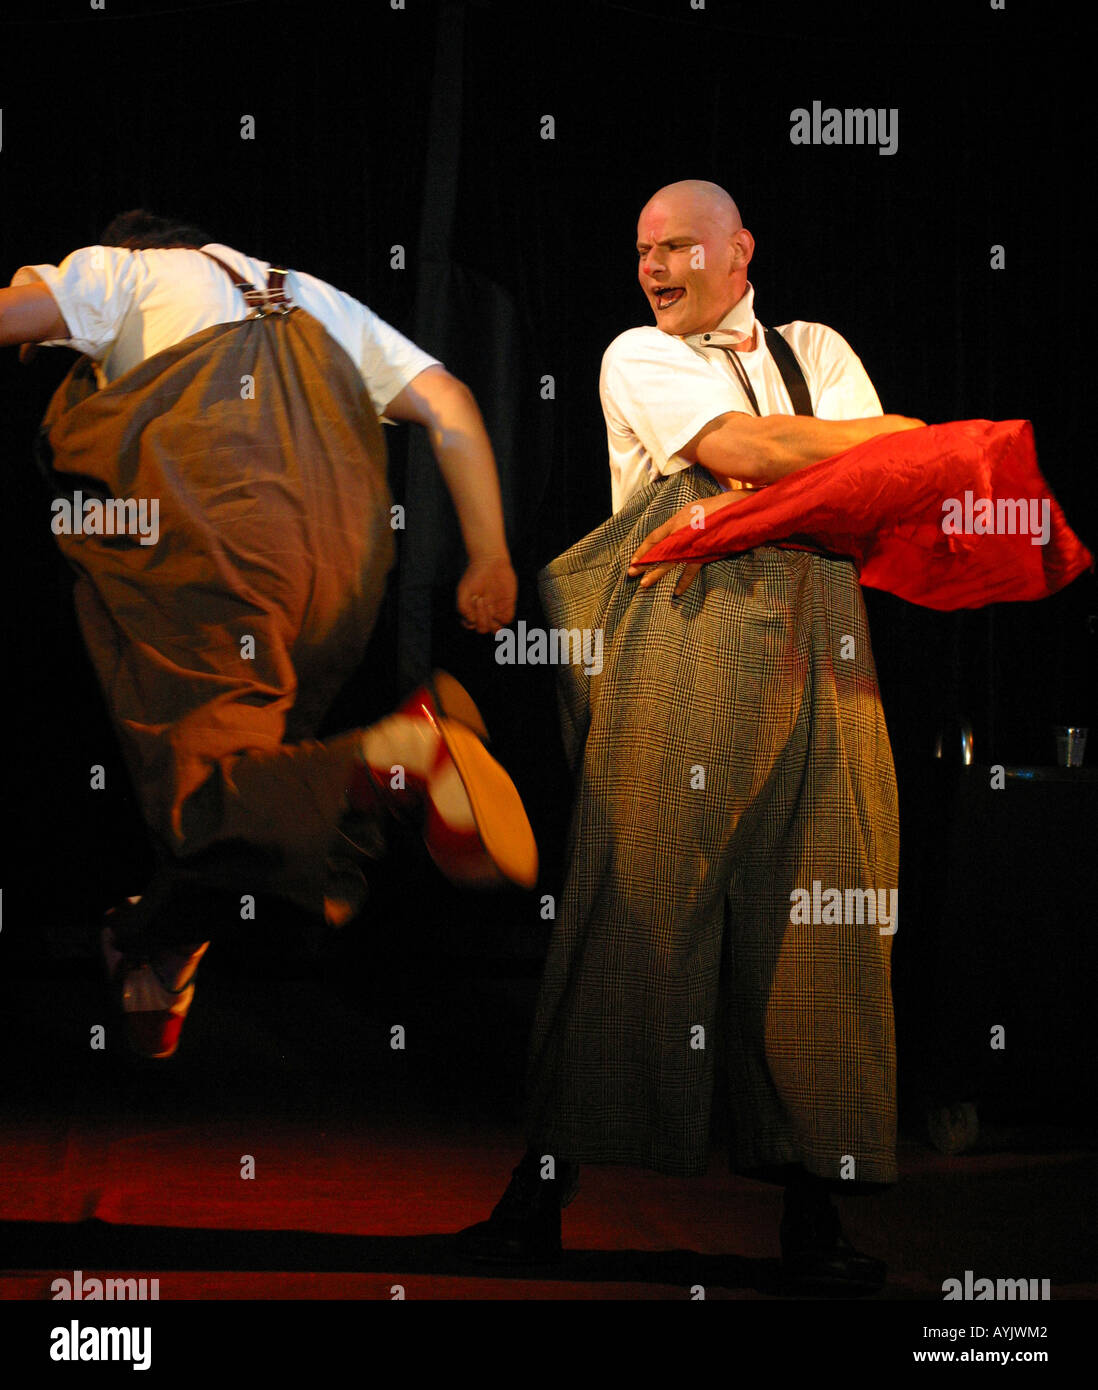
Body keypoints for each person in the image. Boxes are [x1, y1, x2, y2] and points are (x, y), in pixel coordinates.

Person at [458, 180, 923, 1294]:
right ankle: (540, 1194)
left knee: (829, 918)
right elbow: (744, 449)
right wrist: (865, 446)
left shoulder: (818, 346)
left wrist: (853, 455)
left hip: (824, 647)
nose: (653, 268)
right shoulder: (636, 354)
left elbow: (873, 490)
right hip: (689, 637)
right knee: (638, 906)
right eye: (642, 250)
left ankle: (817, 1220)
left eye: (675, 247)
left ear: (740, 249)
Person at [1, 210, 537, 1061]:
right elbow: (450, 404)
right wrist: (491, 555)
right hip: (343, 568)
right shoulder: (310, 299)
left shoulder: (126, 272)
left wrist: (46, 313)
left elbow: (14, 312)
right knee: (265, 793)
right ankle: (155, 943)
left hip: (225, 542)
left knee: (205, 800)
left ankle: (400, 754)